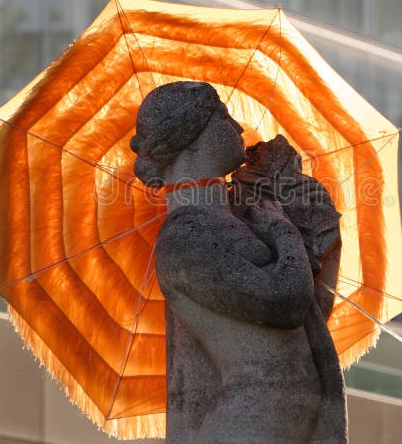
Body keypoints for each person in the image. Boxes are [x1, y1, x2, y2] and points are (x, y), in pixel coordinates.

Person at [130, 81, 344, 443]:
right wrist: (283, 230)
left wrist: (318, 230)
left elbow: (311, 315)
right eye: (223, 116)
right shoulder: (185, 234)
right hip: (248, 424)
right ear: (191, 137)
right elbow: (287, 303)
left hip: (287, 420)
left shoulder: (238, 217)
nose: (238, 127)